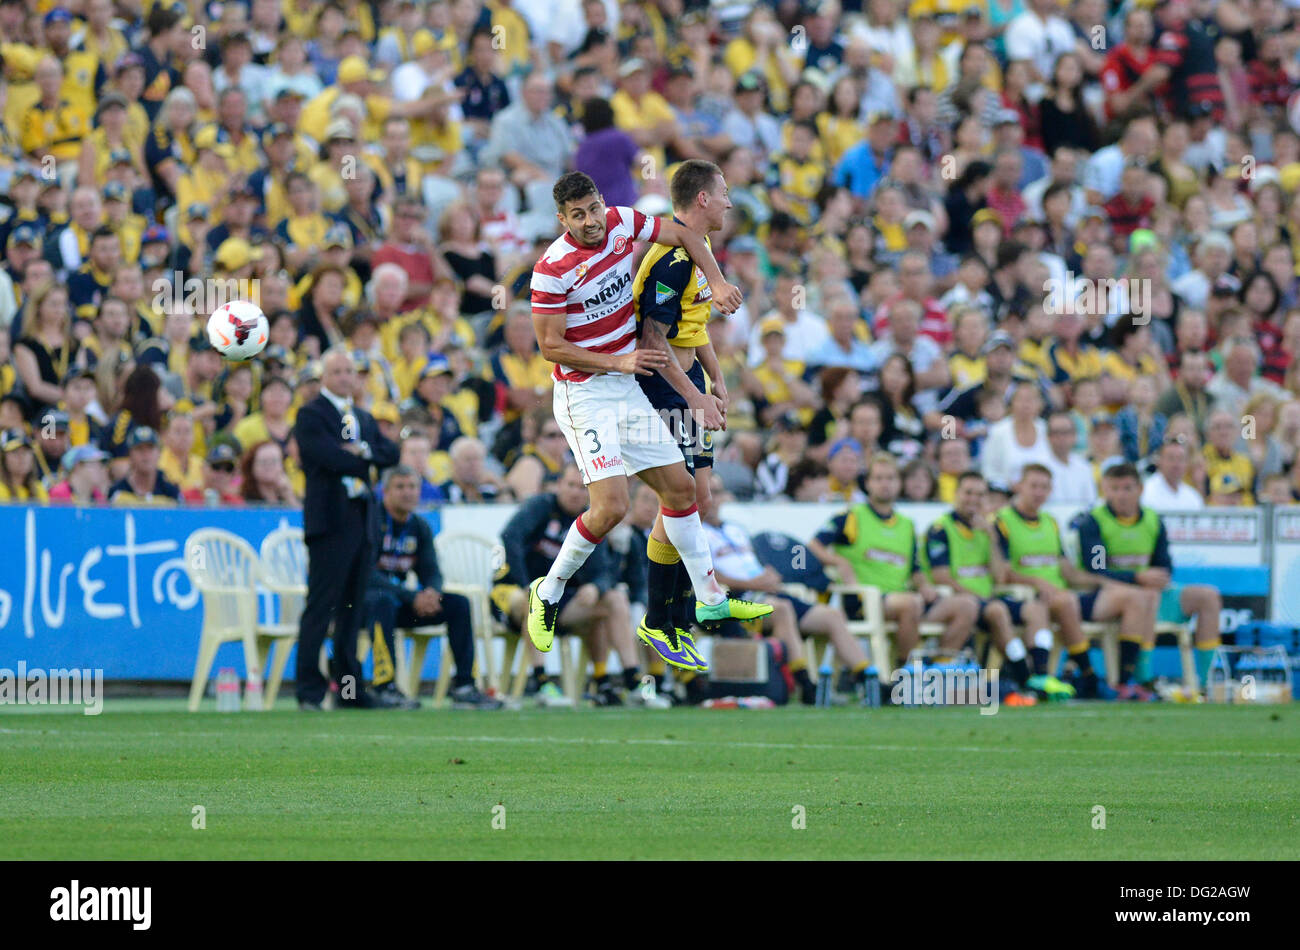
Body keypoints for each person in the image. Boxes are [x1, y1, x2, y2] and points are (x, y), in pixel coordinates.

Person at [527, 170, 766, 672]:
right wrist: (618, 362)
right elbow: (549, 345)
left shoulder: (620, 224)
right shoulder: (551, 269)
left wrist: (719, 281)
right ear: (562, 219)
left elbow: (681, 231)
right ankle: (547, 592)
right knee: (611, 507)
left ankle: (709, 599)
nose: (591, 221)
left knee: (681, 492)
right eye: (579, 215)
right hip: (584, 394)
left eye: (593, 208)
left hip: (627, 387)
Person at [631, 160, 736, 656]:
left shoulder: (701, 248)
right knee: (680, 499)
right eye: (723, 194)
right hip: (664, 385)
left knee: (699, 497)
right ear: (701, 200)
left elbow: (693, 327)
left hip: (691, 379)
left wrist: (715, 378)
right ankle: (666, 618)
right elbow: (653, 340)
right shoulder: (671, 261)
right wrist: (693, 396)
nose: (729, 203)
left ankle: (675, 616)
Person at [808, 452, 981, 702]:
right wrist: (838, 561)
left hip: (907, 600)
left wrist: (924, 585)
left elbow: (916, 568)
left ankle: (938, 670)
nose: (885, 483)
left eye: (890, 478)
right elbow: (813, 545)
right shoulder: (851, 517)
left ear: (899, 484)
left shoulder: (906, 524)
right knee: (910, 604)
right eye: (878, 478)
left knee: (966, 605)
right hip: (867, 600)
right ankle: (904, 679)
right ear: (868, 483)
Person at [495, 465, 669, 708]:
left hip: (561, 601)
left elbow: (603, 571)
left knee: (614, 599)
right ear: (558, 486)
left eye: (582, 487)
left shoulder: (591, 518)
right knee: (533, 597)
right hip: (513, 595)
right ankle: (542, 683)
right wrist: (525, 584)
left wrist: (595, 588)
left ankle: (632, 682)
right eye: (570, 485)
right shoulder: (540, 506)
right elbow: (509, 538)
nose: (575, 492)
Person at [293, 346, 400, 711]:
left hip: (362, 521)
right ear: (323, 376)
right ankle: (308, 690)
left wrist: (360, 451)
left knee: (353, 610)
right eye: (336, 371)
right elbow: (324, 455)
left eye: (348, 372)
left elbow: (391, 453)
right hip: (330, 523)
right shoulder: (311, 414)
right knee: (321, 607)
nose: (343, 377)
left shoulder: (363, 418)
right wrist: (356, 458)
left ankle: (349, 691)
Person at [700, 487, 873, 705]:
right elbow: (706, 576)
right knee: (781, 609)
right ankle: (804, 684)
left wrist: (769, 575)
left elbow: (753, 563)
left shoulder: (737, 530)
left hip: (765, 591)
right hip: (734, 598)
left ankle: (868, 680)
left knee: (831, 616)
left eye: (717, 493)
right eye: (708, 493)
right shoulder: (695, 534)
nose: (714, 500)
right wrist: (751, 583)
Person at [1072, 462, 1223, 696]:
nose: (1121, 495)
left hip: (1151, 591)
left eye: (1127, 488)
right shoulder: (1094, 522)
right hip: (1112, 595)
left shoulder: (1152, 520)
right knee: (1146, 596)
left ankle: (1206, 683)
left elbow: (1163, 563)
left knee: (1208, 596)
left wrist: (1159, 577)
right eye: (1114, 489)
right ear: (1105, 491)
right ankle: (1143, 679)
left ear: (1140, 489)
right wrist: (1137, 577)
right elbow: (1097, 569)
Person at [921, 470, 1072, 702]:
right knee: (997, 610)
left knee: (1035, 608)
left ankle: (1041, 675)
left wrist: (991, 538)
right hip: (959, 602)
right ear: (956, 494)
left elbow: (1000, 577)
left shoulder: (990, 529)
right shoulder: (941, 529)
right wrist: (976, 596)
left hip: (988, 600)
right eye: (968, 492)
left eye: (980, 494)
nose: (974, 499)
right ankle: (1024, 678)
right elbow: (941, 577)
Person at [363, 465, 500, 710]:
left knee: (458, 604)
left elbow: (431, 570)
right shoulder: (370, 522)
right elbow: (364, 575)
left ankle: (465, 686)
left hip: (401, 603)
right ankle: (385, 687)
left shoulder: (419, 526)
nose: (408, 493)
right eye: (400, 487)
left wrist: (431, 593)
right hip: (361, 607)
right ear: (385, 492)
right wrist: (411, 596)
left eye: (413, 487)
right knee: (379, 600)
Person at [993, 463, 1123, 700]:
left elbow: (1067, 570)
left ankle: (1089, 677)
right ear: (1019, 486)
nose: (1038, 492)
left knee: (1079, 599)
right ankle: (1087, 675)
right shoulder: (1002, 521)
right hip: (1022, 596)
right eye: (1033, 485)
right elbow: (1002, 573)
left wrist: (1100, 581)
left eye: (1044, 487)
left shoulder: (1050, 521)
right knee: (1066, 602)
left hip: (1058, 597)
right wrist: (1036, 582)